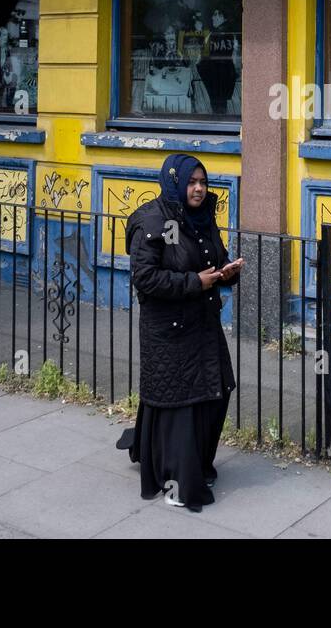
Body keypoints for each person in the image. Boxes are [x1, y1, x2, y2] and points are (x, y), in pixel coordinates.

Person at [116, 153, 244, 511]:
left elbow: (212, 258)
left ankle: (197, 464)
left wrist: (226, 272)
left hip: (202, 323)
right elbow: (145, 278)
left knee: (217, 390)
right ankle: (176, 480)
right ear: (175, 183)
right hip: (168, 330)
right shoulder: (151, 221)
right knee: (181, 403)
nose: (199, 189)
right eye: (191, 182)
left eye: (203, 182)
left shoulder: (202, 218)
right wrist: (195, 282)